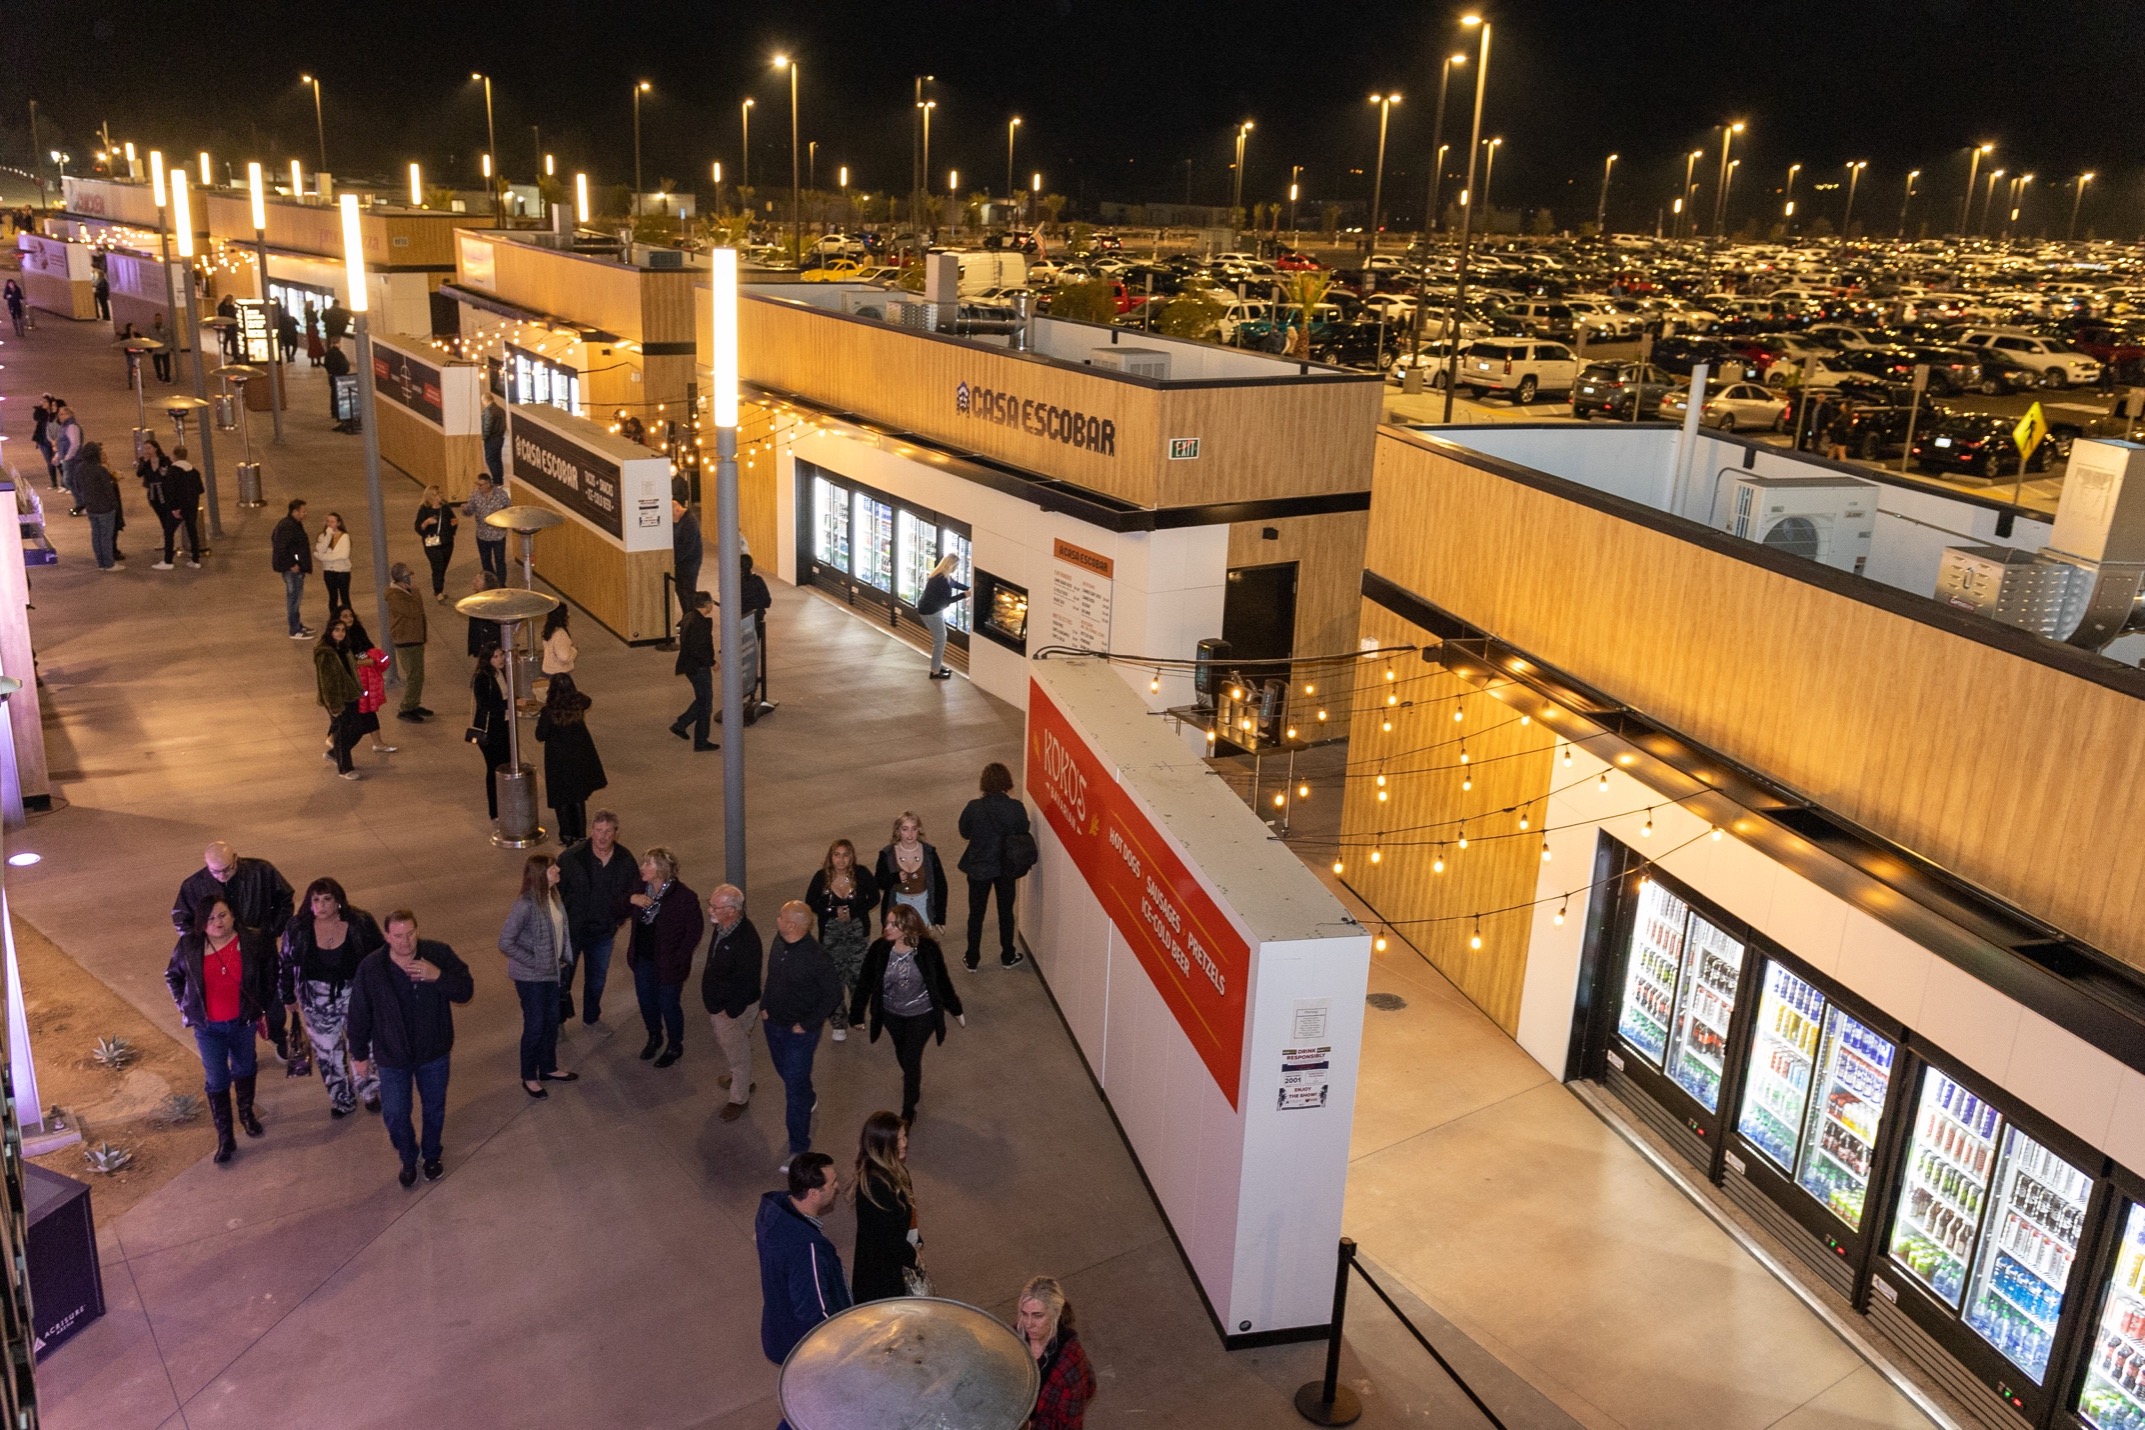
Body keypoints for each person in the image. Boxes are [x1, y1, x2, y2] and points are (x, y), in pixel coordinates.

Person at [346, 910, 475, 1187]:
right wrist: (358, 1055)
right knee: (394, 1113)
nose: (406, 941)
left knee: (434, 1108)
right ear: (387, 937)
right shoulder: (372, 968)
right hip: (392, 1056)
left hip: (433, 1052)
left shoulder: (437, 954)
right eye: (399, 935)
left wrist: (438, 976)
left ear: (418, 930)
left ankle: (431, 1155)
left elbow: (465, 990)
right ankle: (407, 1156)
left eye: (411, 933)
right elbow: (358, 1013)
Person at [165, 896, 277, 1164]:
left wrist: (261, 1003)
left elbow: (270, 972)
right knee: (217, 1080)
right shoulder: (189, 945)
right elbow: (173, 976)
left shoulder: (252, 940)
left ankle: (247, 1115)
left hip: (242, 1023)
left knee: (245, 1068)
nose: (218, 922)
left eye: (223, 915)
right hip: (209, 1028)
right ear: (202, 923)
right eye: (211, 918)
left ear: (233, 915)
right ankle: (225, 1137)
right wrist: (185, 1005)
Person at [171, 841, 296, 1062]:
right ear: (206, 865)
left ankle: (278, 1036)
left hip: (259, 951)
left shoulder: (262, 871)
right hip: (220, 955)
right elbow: (182, 919)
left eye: (227, 869)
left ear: (236, 858)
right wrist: (204, 942)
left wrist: (271, 931)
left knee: (270, 998)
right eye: (215, 871)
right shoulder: (193, 885)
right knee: (233, 1004)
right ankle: (244, 1052)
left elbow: (285, 899)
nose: (222, 875)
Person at [278, 877, 383, 1119]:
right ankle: (341, 1099)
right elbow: (285, 962)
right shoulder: (298, 927)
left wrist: (379, 994)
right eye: (315, 900)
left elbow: (379, 958)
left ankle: (369, 1091)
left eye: (327, 899)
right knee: (327, 1052)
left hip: (354, 996)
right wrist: (287, 995)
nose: (321, 905)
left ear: (338, 901)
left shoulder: (360, 922)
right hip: (315, 1000)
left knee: (363, 1045)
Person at [850, 906, 965, 1125]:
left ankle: (908, 1107)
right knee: (902, 1052)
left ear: (908, 926)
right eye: (887, 923)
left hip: (923, 1013)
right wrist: (856, 1014)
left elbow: (941, 981)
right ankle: (912, 1078)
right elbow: (865, 981)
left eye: (894, 924)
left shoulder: (927, 948)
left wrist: (955, 1008)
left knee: (911, 1058)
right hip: (891, 1012)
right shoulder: (879, 949)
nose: (887, 928)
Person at [763, 901, 842, 1170]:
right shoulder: (779, 940)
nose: (777, 919)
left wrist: (808, 1024)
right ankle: (809, 1097)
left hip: (799, 1033)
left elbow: (833, 994)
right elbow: (773, 976)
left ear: (793, 925)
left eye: (781, 916)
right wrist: (765, 1006)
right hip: (773, 1024)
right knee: (787, 1074)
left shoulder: (816, 957)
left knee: (793, 1089)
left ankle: (798, 1148)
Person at [755, 1153, 852, 1371]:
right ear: (813, 1193)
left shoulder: (773, 1210)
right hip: (804, 1348)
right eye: (833, 1182)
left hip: (778, 1327)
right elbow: (816, 1311)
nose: (837, 1187)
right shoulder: (807, 1249)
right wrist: (847, 1343)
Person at [500, 853, 576, 1099]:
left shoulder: (553, 896)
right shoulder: (525, 904)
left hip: (552, 974)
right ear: (541, 874)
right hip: (530, 978)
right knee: (535, 1025)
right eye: (553, 868)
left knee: (551, 1020)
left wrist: (560, 961)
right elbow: (505, 942)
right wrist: (536, 962)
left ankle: (548, 1067)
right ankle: (529, 1075)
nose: (558, 871)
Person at [626, 847, 703, 1067]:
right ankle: (654, 1035)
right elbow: (617, 907)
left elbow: (694, 931)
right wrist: (632, 899)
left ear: (661, 869)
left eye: (648, 864)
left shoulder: (684, 897)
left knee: (669, 1005)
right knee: (647, 1001)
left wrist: (679, 958)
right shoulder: (640, 889)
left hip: (669, 965)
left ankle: (675, 1044)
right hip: (643, 959)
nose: (642, 868)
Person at [557, 810, 635, 1025]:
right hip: (572, 932)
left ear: (616, 833)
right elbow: (557, 893)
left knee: (596, 980)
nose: (602, 836)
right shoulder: (572, 858)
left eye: (607, 831)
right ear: (591, 831)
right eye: (598, 831)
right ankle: (558, 1020)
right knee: (563, 979)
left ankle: (591, 1017)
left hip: (602, 932)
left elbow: (633, 894)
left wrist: (618, 918)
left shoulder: (625, 860)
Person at [959, 762, 1034, 971]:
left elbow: (964, 832)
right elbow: (1023, 829)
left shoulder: (973, 807)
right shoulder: (1016, 807)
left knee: (976, 914)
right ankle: (1008, 955)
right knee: (1005, 912)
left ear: (984, 783)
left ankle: (972, 958)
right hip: (1005, 868)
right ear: (1007, 783)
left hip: (979, 868)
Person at [804, 840, 877, 1040]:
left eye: (846, 855)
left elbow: (874, 898)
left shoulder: (861, 874)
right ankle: (838, 1023)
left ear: (852, 857)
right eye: (837, 854)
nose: (841, 859)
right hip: (831, 934)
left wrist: (853, 911)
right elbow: (810, 901)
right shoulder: (822, 877)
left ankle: (857, 1015)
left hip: (857, 932)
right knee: (834, 978)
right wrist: (831, 911)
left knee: (858, 975)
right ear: (831, 857)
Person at [701, 883, 761, 1121]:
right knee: (736, 1046)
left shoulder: (745, 940)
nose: (710, 911)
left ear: (732, 911)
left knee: (737, 1054)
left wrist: (730, 1012)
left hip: (732, 1009)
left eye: (715, 907)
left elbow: (747, 980)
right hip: (724, 1004)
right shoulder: (724, 928)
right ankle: (742, 1079)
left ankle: (739, 1098)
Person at [850, 1112, 922, 1302]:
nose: (904, 1143)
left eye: (905, 1136)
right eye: (898, 1139)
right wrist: (911, 1255)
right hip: (881, 1276)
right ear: (883, 1144)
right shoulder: (877, 1187)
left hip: (890, 1260)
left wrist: (915, 1240)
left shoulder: (896, 1171)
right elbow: (887, 1239)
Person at [1015, 1276, 1098, 1430]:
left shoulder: (1069, 1366)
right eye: (1024, 1314)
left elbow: (1069, 1424)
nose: (1028, 1323)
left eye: (1038, 1315)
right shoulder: (1014, 1338)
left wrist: (1029, 1425)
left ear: (1055, 1313)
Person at [535, 673, 606, 843]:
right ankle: (580, 833)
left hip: (558, 759)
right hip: (579, 755)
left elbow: (540, 735)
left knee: (562, 797)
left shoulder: (549, 711)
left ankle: (566, 834)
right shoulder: (578, 704)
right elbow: (587, 700)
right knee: (578, 796)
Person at [874, 813, 949, 934]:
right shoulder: (887, 854)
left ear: (919, 830)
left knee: (922, 945)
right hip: (898, 905)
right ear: (898, 831)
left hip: (923, 905)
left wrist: (940, 917)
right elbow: (878, 882)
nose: (910, 834)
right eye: (905, 829)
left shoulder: (929, 853)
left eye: (914, 829)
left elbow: (941, 885)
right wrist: (894, 878)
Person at [315, 616, 365, 780]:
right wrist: (335, 706)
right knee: (342, 732)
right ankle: (345, 768)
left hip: (351, 695)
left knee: (358, 727)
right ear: (330, 631)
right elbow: (327, 682)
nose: (340, 633)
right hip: (337, 699)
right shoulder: (326, 654)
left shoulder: (344, 648)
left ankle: (334, 753)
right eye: (337, 630)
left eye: (343, 630)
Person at [669, 592, 719, 751]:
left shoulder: (689, 616)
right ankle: (701, 741)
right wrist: (711, 662)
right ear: (707, 605)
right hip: (698, 668)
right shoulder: (699, 624)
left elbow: (679, 630)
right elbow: (699, 649)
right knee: (706, 705)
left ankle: (681, 724)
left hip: (689, 665)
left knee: (702, 699)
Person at [470, 642, 512, 821]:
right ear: (487, 659)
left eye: (501, 654)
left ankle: (506, 804)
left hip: (503, 727)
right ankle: (494, 811)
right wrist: (509, 704)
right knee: (494, 769)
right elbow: (486, 705)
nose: (501, 658)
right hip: (489, 731)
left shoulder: (501, 673)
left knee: (507, 766)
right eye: (496, 656)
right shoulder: (482, 678)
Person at [387, 564, 432, 724]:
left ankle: (413, 704)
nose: (413, 579)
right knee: (414, 676)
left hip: (415, 637)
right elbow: (413, 612)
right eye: (410, 576)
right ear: (403, 579)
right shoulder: (395, 596)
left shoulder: (408, 592)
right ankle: (405, 708)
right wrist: (415, 592)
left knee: (418, 675)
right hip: (406, 639)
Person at [917, 554, 969, 679]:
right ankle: (935, 671)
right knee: (940, 640)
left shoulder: (940, 575)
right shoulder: (941, 581)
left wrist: (968, 588)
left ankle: (937, 666)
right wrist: (965, 595)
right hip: (931, 612)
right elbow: (946, 601)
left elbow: (954, 584)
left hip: (930, 609)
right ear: (952, 565)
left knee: (940, 639)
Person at [272, 499, 315, 640]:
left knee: (297, 597)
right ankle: (294, 629)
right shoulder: (288, 526)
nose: (305, 513)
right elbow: (280, 547)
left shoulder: (293, 524)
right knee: (294, 598)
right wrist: (292, 563)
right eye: (303, 511)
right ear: (295, 511)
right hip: (292, 570)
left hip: (297, 568)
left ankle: (298, 624)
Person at [76, 443, 123, 571]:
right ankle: (109, 563)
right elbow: (108, 490)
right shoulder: (100, 470)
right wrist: (115, 505)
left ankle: (101, 562)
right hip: (105, 507)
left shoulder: (80, 469)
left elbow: (78, 487)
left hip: (91, 506)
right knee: (106, 536)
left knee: (96, 535)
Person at [161, 445, 205, 565]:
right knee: (192, 531)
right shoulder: (193, 471)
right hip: (192, 506)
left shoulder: (173, 471)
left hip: (178, 508)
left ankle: (168, 561)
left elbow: (169, 491)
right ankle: (195, 560)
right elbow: (200, 489)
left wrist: (174, 508)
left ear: (174, 456)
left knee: (169, 532)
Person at [414, 486, 459, 601]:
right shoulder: (424, 510)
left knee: (443, 565)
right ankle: (438, 591)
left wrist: (454, 524)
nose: (441, 496)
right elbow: (418, 528)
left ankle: (439, 586)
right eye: (438, 494)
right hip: (431, 544)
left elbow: (453, 520)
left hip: (447, 542)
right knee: (437, 565)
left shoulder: (445, 508)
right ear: (432, 496)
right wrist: (426, 522)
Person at [465, 472, 511, 583]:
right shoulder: (474, 495)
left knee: (500, 560)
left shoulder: (501, 495)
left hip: (498, 535)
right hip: (482, 535)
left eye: (481, 485)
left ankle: (501, 584)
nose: (478, 487)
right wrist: (465, 509)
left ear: (488, 484)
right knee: (485, 561)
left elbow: (509, 510)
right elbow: (469, 511)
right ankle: (490, 584)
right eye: (477, 484)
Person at [314, 511, 353, 619]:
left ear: (338, 523)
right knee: (332, 597)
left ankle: (348, 620)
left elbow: (344, 555)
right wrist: (328, 537)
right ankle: (334, 619)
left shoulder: (344, 537)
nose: (330, 524)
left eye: (332, 521)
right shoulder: (322, 536)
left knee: (345, 597)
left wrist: (323, 557)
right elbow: (321, 549)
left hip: (342, 572)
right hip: (328, 572)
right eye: (328, 521)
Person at [52, 403, 85, 513]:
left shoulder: (71, 426)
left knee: (71, 481)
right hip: (67, 459)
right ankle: (81, 503)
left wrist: (67, 457)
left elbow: (75, 443)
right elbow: (62, 443)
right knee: (70, 481)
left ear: (68, 414)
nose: (59, 416)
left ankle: (82, 503)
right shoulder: (64, 427)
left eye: (62, 414)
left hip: (73, 460)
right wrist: (58, 455)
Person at [671, 496, 702, 610]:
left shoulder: (690, 522)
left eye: (672, 516)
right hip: (681, 561)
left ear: (678, 510)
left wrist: (673, 560)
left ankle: (690, 615)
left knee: (687, 590)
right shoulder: (682, 519)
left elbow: (687, 546)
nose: (672, 520)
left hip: (690, 562)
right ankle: (687, 615)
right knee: (680, 588)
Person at [466, 570, 503, 658]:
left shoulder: (493, 602)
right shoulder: (476, 598)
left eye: (478, 580)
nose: (474, 582)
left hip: (490, 639)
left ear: (486, 585)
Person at [540, 605, 576, 679]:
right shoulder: (560, 634)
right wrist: (573, 650)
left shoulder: (549, 630)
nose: (569, 614)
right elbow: (564, 657)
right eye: (567, 611)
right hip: (559, 673)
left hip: (548, 670)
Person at [480, 391, 507, 485]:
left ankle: (496, 480)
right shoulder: (500, 410)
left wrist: (484, 437)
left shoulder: (488, 411)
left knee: (490, 459)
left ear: (485, 400)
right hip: (500, 438)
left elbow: (487, 426)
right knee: (498, 459)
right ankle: (499, 480)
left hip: (491, 439)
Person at [149, 312, 173, 381]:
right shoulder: (151, 328)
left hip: (164, 348)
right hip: (155, 349)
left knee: (166, 364)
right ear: (154, 319)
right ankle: (159, 376)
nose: (158, 320)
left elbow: (169, 337)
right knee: (157, 365)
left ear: (161, 319)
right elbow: (150, 337)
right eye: (156, 319)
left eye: (159, 319)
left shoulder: (166, 328)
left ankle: (167, 377)